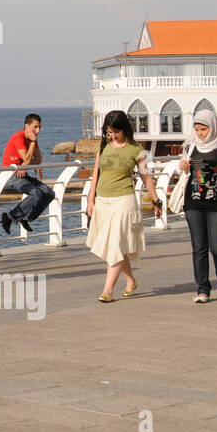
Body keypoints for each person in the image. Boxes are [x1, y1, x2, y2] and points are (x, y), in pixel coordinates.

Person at [85, 110, 161, 302]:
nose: (112, 136)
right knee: (116, 245)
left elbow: (145, 176)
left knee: (116, 243)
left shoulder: (137, 151)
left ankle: (107, 291)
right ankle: (131, 281)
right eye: (109, 132)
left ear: (124, 128)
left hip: (124, 201)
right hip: (103, 201)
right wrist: (90, 200)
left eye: (116, 131)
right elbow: (96, 174)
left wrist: (155, 199)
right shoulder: (103, 147)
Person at [178, 108, 217, 303]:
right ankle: (202, 290)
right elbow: (185, 175)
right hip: (193, 204)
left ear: (213, 128)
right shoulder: (191, 146)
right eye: (197, 129)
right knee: (199, 248)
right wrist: (183, 168)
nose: (200, 133)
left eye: (203, 129)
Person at [0, 114, 56, 237]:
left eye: (39, 127)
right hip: (11, 174)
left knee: (49, 193)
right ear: (27, 126)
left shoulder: (32, 139)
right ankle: (9, 217)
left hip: (22, 172)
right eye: (35, 127)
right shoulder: (18, 138)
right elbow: (28, 158)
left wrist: (24, 164)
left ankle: (27, 218)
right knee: (36, 193)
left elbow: (38, 159)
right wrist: (32, 145)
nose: (38, 131)